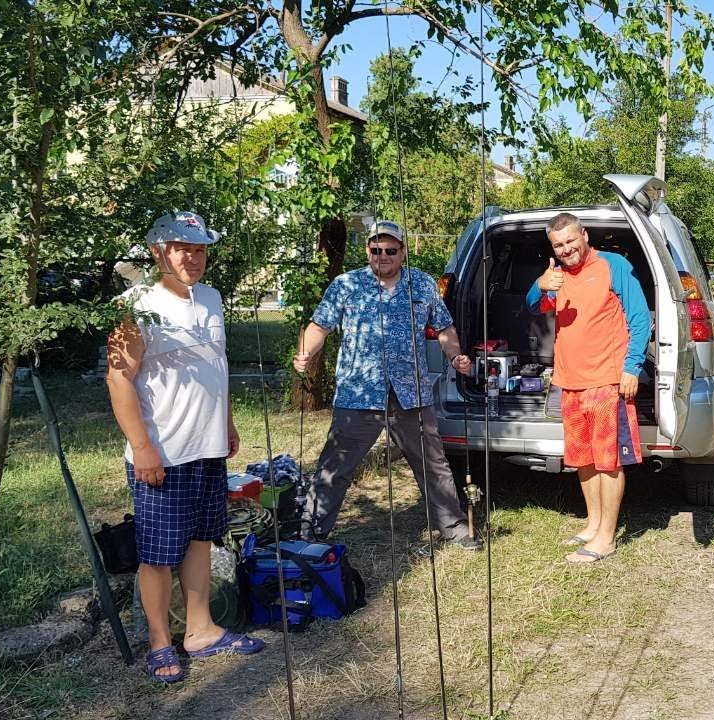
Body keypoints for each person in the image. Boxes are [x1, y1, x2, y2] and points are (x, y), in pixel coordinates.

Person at [106, 211, 264, 684]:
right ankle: (159, 642)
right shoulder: (137, 304)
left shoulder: (211, 299)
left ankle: (200, 630)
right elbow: (119, 380)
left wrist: (227, 423)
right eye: (181, 249)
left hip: (207, 449)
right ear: (158, 252)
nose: (192, 258)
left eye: (199, 249)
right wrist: (143, 448)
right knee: (157, 556)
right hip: (163, 454)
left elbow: (215, 367)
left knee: (200, 540)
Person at [293, 220, 480, 548]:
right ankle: (311, 533)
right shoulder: (346, 285)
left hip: (412, 395)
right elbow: (319, 326)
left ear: (402, 252)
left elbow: (445, 328)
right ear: (367, 250)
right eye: (375, 249)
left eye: (390, 250)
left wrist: (456, 357)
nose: (382, 256)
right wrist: (304, 353)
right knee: (335, 466)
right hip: (358, 394)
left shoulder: (422, 284)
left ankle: (454, 528)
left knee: (432, 463)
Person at [526, 213, 651, 563]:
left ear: (584, 234)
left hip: (607, 380)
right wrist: (541, 284)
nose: (567, 249)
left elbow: (640, 318)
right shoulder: (557, 275)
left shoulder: (613, 265)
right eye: (558, 245)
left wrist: (631, 367)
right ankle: (593, 524)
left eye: (570, 241)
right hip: (569, 381)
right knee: (583, 458)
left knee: (608, 460)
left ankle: (607, 538)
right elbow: (531, 305)